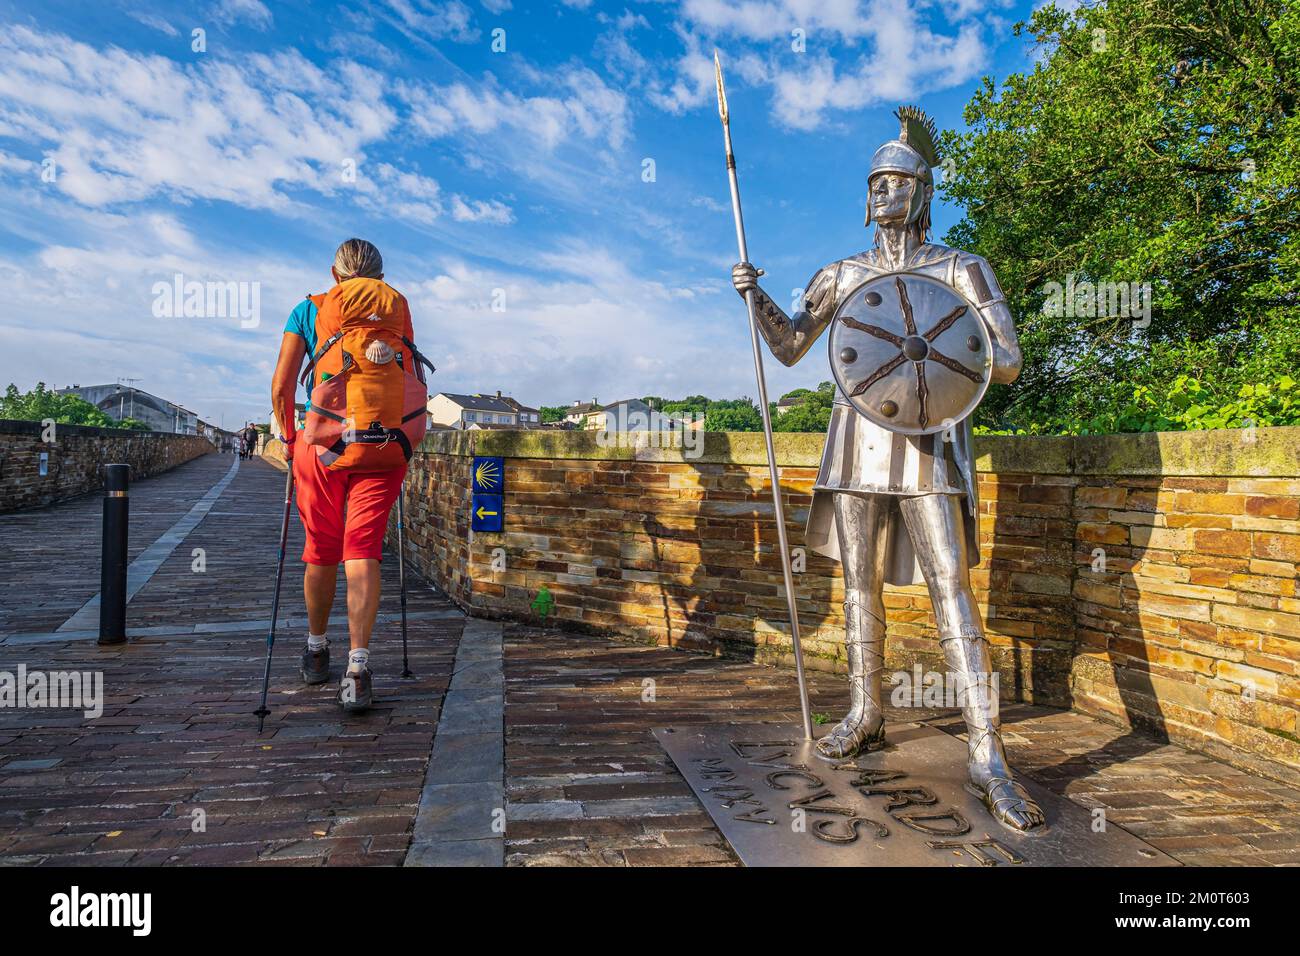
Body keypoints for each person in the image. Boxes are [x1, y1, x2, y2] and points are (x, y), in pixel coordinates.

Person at [730, 107, 1043, 831]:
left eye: (898, 181)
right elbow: (790, 347)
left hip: (928, 439)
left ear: (923, 192)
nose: (883, 191)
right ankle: (867, 711)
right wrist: (756, 299)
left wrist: (939, 347)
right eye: (875, 181)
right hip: (856, 439)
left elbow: (1008, 359)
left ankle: (988, 754)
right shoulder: (841, 274)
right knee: (857, 584)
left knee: (950, 593)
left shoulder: (960, 269)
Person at [271, 238, 413, 712]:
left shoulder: (309, 310)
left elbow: (282, 387)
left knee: (323, 549)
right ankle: (358, 667)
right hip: (385, 444)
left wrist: (291, 440)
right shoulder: (396, 310)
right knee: (363, 549)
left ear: (335, 275)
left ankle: (316, 652)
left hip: (325, 444)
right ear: (380, 275)